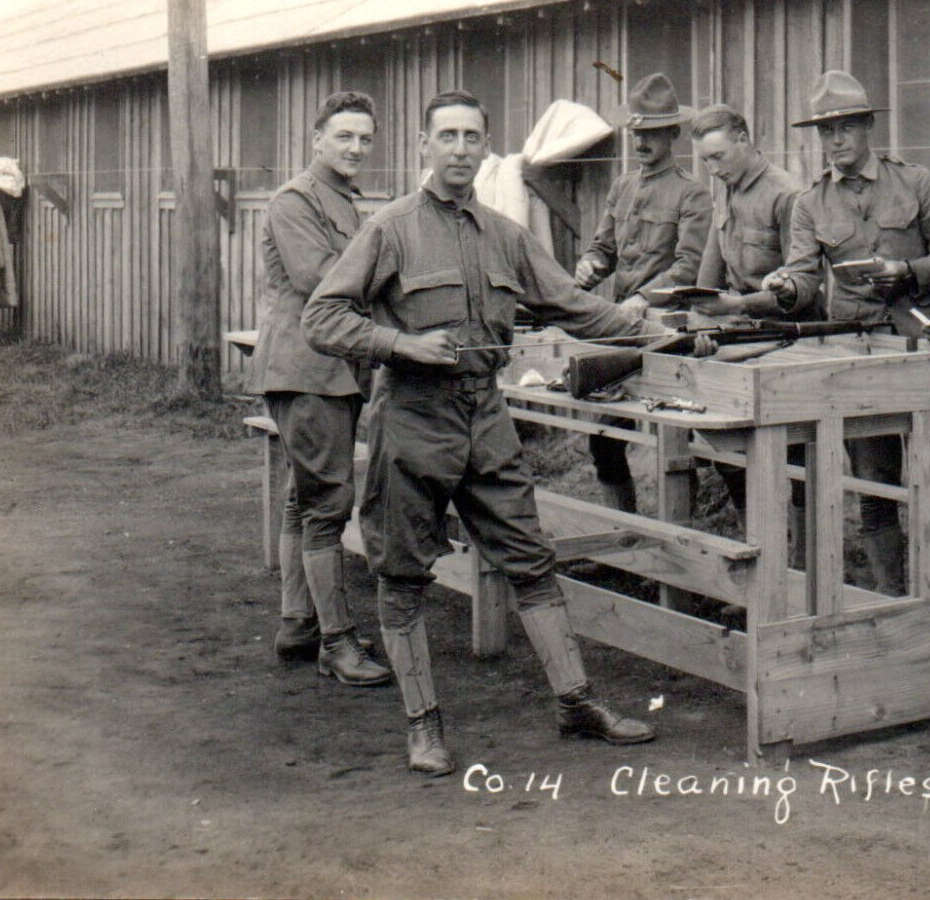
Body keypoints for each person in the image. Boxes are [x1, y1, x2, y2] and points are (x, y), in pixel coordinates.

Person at [303, 90, 660, 777]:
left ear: (486, 145)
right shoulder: (390, 230)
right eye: (448, 136)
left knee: (530, 558)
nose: (461, 149)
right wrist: (400, 345)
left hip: (486, 417)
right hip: (413, 418)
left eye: (472, 136)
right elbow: (322, 317)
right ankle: (423, 725)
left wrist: (649, 328)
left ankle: (575, 702)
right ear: (424, 146)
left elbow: (572, 306)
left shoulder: (505, 234)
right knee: (402, 574)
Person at [764, 70, 930, 595]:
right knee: (874, 487)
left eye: (846, 128)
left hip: (926, 347)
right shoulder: (810, 203)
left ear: (867, 127)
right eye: (825, 131)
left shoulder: (916, 182)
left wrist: (909, 272)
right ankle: (890, 600)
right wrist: (786, 287)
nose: (835, 141)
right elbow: (804, 277)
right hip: (862, 353)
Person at [244, 91, 390, 687]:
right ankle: (337, 641)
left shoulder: (348, 202)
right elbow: (323, 280)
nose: (356, 148)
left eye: (365, 138)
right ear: (317, 139)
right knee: (328, 503)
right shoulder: (295, 200)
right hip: (307, 368)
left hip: (330, 369)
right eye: (344, 136)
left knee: (303, 498)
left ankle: (299, 623)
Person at [572, 73, 712, 515]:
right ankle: (626, 531)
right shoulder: (623, 186)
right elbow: (604, 248)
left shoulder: (692, 193)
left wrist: (647, 298)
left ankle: (684, 535)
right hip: (621, 329)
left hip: (667, 331)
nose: (642, 142)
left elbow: (688, 267)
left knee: (680, 436)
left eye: (652, 133)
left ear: (673, 135)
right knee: (604, 437)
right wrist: (589, 265)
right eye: (637, 133)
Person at [682, 103, 808, 524]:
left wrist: (736, 306)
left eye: (718, 157)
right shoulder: (725, 187)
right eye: (705, 161)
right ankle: (755, 531)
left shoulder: (786, 195)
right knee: (720, 436)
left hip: (784, 340)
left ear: (744, 140)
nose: (712, 169)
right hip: (736, 334)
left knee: (794, 461)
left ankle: (798, 546)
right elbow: (710, 270)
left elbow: (801, 290)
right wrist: (699, 316)